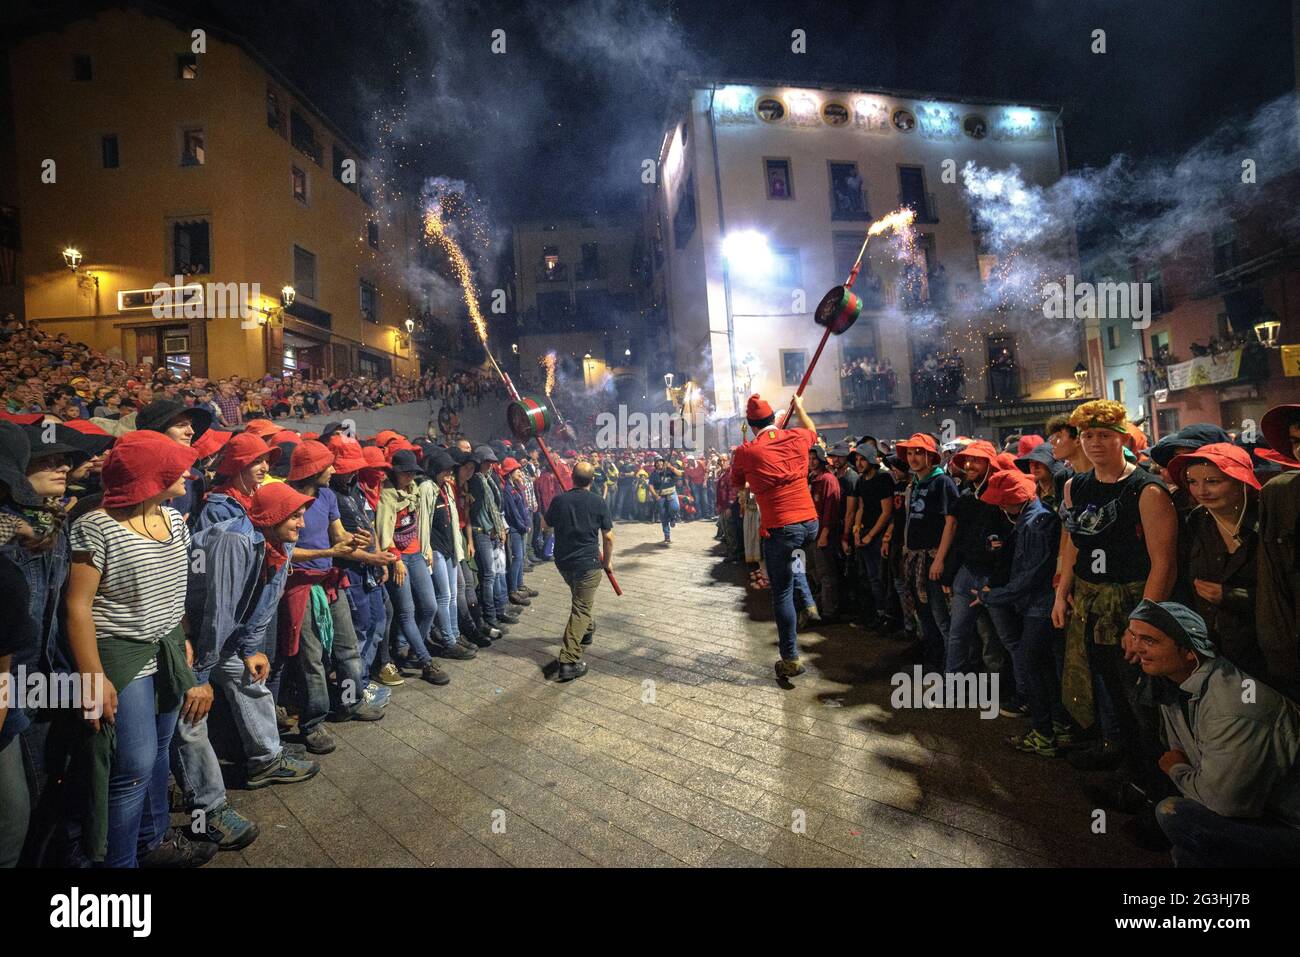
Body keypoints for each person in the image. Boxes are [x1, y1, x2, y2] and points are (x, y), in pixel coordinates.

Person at [65, 430, 212, 867]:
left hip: (165, 648)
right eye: (175, 465)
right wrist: (93, 677)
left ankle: (153, 842)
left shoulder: (172, 520)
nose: (187, 472)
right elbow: (78, 607)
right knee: (132, 768)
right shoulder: (95, 526)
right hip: (119, 655)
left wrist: (181, 637)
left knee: (157, 757)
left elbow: (176, 591)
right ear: (151, 475)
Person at [1053, 400, 1177, 787]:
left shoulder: (1147, 490)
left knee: (1144, 703)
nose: (1094, 443)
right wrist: (1062, 592)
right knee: (1112, 694)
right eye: (1087, 435)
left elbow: (1164, 563)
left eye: (1104, 435)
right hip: (1092, 606)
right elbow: (1075, 539)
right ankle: (1128, 774)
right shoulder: (1075, 486)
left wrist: (1142, 623)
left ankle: (1155, 791)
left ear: (1122, 438)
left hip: (1133, 605)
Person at [1126, 600, 1300, 867]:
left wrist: (1176, 770)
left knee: (1175, 815)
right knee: (1187, 845)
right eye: (1134, 636)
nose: (1136, 647)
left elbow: (1225, 802)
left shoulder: (1231, 706)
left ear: (1188, 651)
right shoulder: (1174, 684)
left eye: (1150, 640)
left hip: (1288, 823)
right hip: (1263, 810)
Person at [187, 482, 320, 800]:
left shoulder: (281, 544)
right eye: (295, 517)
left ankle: (266, 762)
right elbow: (219, 610)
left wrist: (249, 649)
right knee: (190, 709)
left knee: (252, 680)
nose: (302, 524)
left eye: (301, 516)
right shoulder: (236, 539)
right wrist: (201, 676)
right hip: (187, 628)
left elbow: (266, 603)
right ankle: (200, 798)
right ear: (273, 516)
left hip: (217, 632)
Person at [280, 441, 385, 756]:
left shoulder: (327, 496)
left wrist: (357, 541)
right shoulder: (286, 498)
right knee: (312, 659)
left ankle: (348, 703)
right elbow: (284, 551)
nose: (333, 471)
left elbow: (338, 535)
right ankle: (312, 724)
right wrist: (329, 552)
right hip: (300, 587)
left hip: (329, 582)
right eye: (328, 466)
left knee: (347, 648)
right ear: (313, 470)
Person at [976, 469, 1069, 756]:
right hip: (1038, 604)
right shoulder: (1034, 517)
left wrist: (994, 596)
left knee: (1032, 666)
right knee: (1043, 667)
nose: (1001, 508)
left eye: (1004, 502)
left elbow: (1032, 574)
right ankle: (1059, 727)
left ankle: (1044, 734)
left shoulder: (1035, 523)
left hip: (1039, 606)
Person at [729, 393, 820, 679]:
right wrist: (802, 407)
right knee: (795, 559)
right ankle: (807, 601)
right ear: (772, 420)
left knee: (781, 592)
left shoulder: (746, 450)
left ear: (751, 424)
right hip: (809, 522)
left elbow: (737, 483)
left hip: (782, 526)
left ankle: (790, 657)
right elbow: (814, 432)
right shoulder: (795, 437)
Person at [1165, 442, 1267, 678]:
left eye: (1213, 481)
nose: (1201, 491)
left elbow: (1286, 592)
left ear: (1240, 481)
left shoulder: (1269, 520)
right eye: (1192, 482)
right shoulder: (1196, 521)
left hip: (1266, 650)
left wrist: (1230, 596)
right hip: (1213, 650)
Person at [377, 448, 463, 683]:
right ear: (396, 473)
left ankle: (414, 650)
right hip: (399, 557)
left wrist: (424, 549)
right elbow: (384, 531)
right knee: (406, 611)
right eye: (405, 473)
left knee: (430, 606)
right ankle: (425, 660)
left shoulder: (414, 490)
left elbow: (417, 525)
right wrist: (395, 558)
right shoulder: (388, 494)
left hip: (415, 552)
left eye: (411, 472)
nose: (409, 477)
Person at [883, 433, 958, 674]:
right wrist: (906, 549)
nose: (913, 458)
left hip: (933, 559)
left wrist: (939, 559)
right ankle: (933, 661)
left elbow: (951, 523)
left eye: (919, 452)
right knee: (924, 615)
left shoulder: (942, 482)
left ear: (930, 455)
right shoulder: (913, 484)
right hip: (915, 559)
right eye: (911, 453)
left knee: (941, 616)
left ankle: (952, 669)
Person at [544, 461, 613, 682]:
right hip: (588, 563)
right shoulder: (597, 501)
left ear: (572, 478)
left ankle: (588, 628)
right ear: (592, 480)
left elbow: (546, 525)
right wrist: (608, 562)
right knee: (581, 608)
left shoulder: (560, 500)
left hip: (564, 562)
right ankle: (568, 661)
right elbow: (608, 536)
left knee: (580, 600)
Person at [849, 443, 895, 631]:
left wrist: (870, 535)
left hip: (878, 536)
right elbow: (861, 507)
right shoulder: (861, 481)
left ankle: (886, 616)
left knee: (879, 578)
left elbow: (886, 512)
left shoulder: (883, 478)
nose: (859, 463)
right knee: (866, 577)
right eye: (857, 460)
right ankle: (874, 614)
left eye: (862, 459)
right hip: (865, 534)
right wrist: (857, 530)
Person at [650, 455, 681, 544]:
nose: (659, 463)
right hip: (661, 496)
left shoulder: (668, 470)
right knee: (663, 516)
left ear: (663, 462)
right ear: (655, 464)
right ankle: (667, 537)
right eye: (657, 462)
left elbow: (679, 473)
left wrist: (670, 467)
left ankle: (673, 518)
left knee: (675, 507)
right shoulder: (654, 474)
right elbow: (650, 486)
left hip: (671, 493)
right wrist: (656, 496)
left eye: (661, 461)